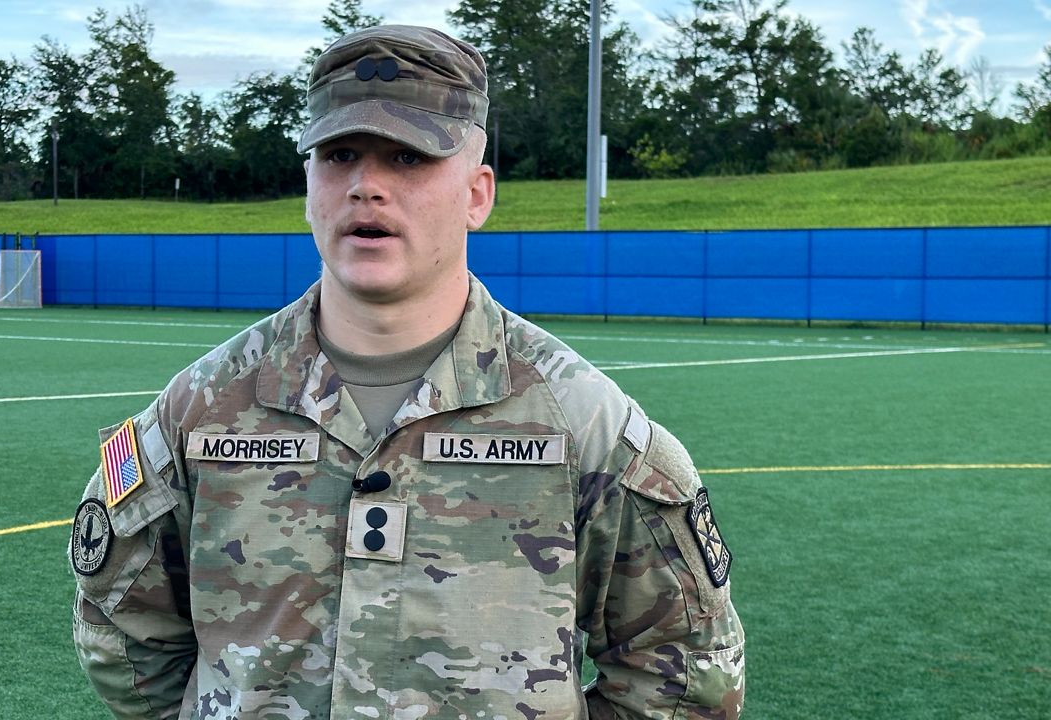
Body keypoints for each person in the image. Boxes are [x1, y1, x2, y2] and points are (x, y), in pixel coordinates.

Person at [70, 24, 744, 720]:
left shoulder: (578, 419)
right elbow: (122, 629)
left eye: (409, 157)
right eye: (340, 155)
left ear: (477, 194)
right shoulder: (201, 407)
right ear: (309, 185)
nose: (367, 186)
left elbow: (685, 670)